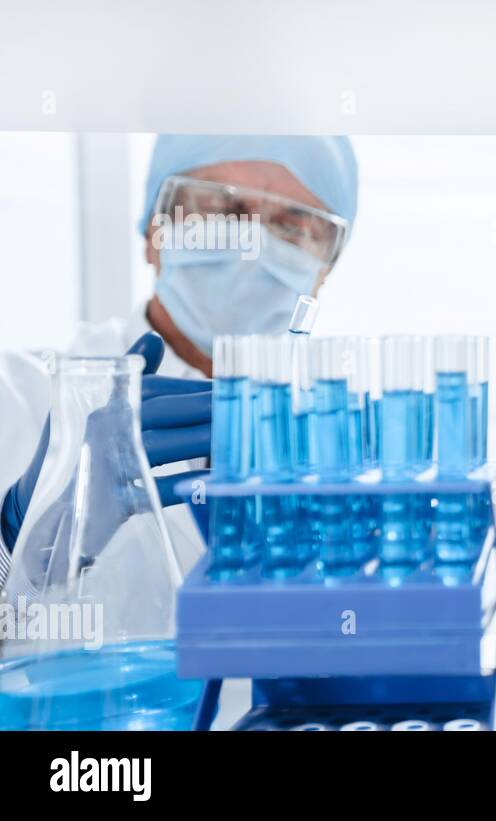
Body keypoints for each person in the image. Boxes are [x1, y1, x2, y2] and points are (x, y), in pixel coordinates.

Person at [0, 135, 359, 581]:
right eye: (220, 210)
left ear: (324, 271)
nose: (253, 244)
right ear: (155, 231)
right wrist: (13, 541)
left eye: (293, 225)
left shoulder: (350, 443)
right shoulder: (15, 399)